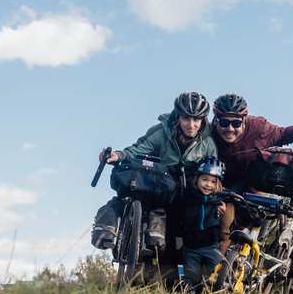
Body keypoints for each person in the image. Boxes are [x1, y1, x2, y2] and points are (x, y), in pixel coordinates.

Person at [92, 92, 216, 258]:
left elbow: (214, 174)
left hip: (187, 189)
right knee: (130, 193)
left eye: (196, 120)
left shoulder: (208, 143)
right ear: (178, 117)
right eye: (186, 118)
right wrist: (118, 155)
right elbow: (138, 149)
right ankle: (109, 228)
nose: (191, 125)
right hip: (161, 182)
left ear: (203, 120)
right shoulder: (161, 132)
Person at [211, 93, 293, 251]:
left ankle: (260, 245)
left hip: (256, 182)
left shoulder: (259, 128)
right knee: (225, 233)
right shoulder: (210, 134)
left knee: (258, 214)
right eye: (224, 122)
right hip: (228, 186)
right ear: (216, 121)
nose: (229, 129)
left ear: (244, 120)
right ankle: (226, 269)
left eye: (236, 123)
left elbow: (285, 134)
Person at [180, 157, 227, 293]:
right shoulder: (189, 196)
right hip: (191, 247)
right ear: (197, 179)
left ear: (218, 185)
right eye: (204, 179)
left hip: (211, 246)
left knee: (218, 273)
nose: (208, 185)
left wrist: (222, 210)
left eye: (213, 181)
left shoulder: (218, 200)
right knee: (191, 276)